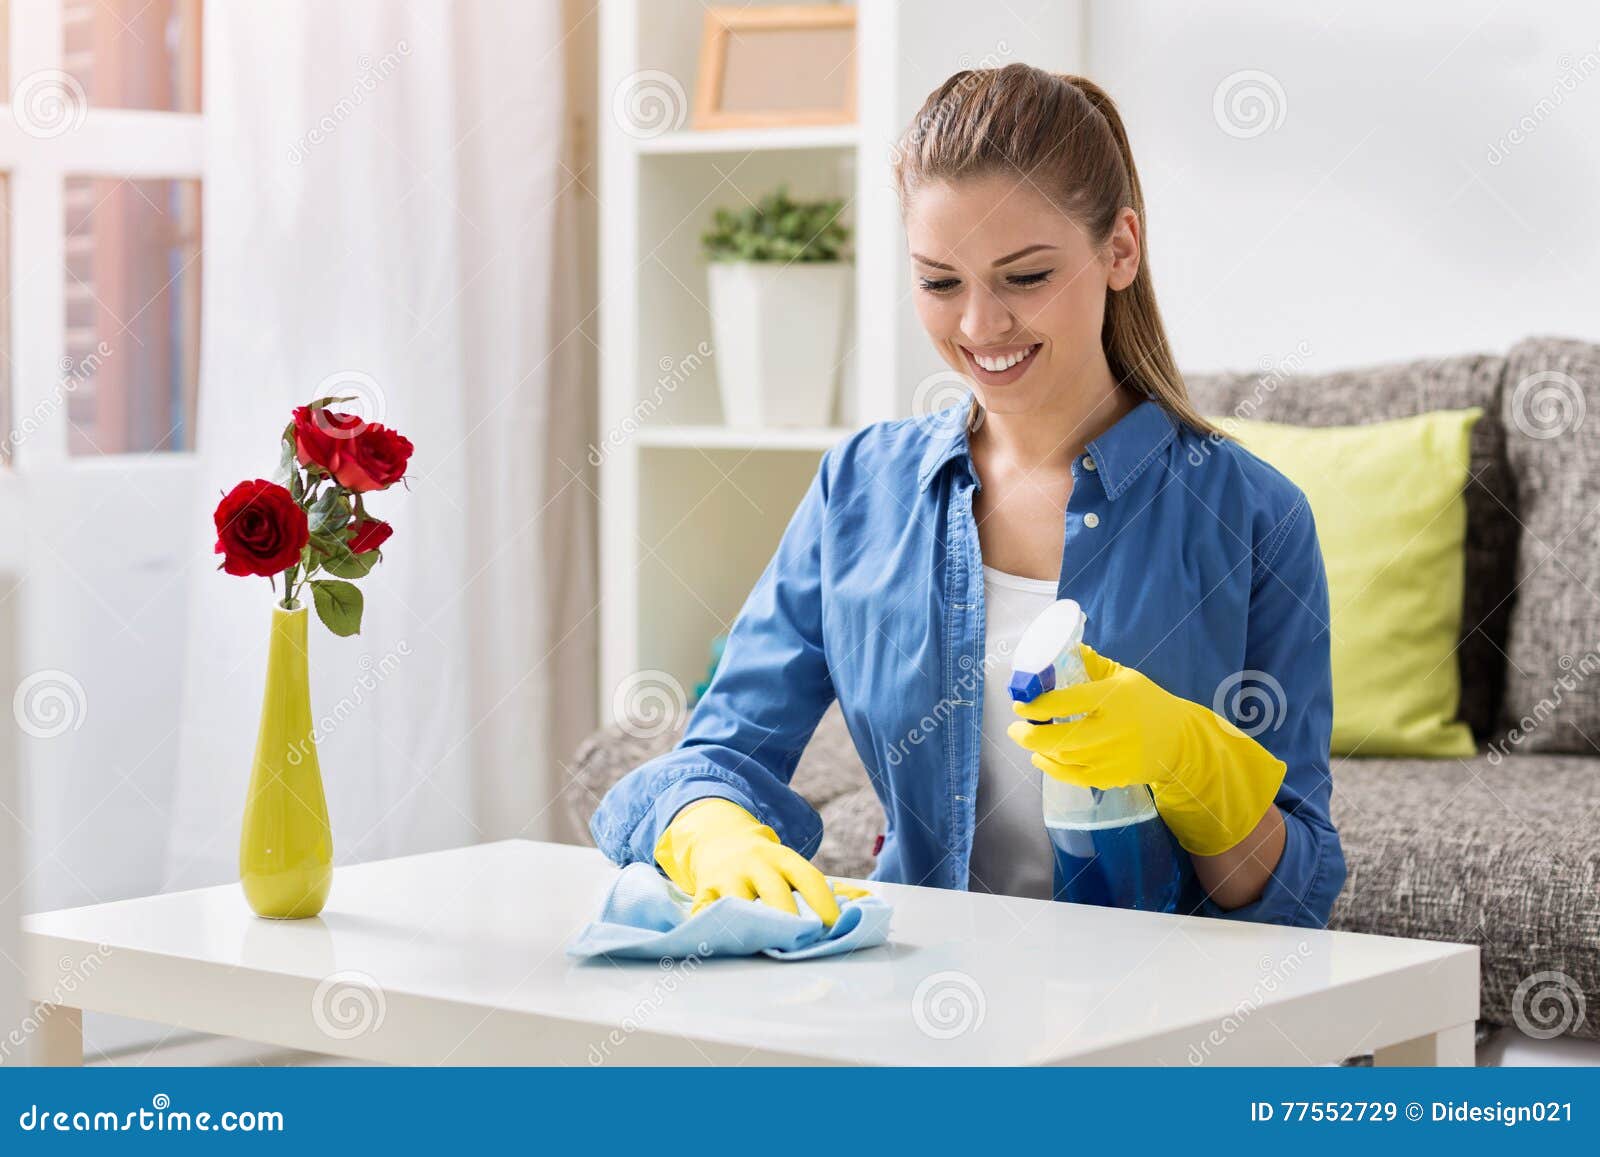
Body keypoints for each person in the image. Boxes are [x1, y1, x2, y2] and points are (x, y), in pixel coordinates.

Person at [590, 64, 1346, 930]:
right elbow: (722, 750)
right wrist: (710, 830)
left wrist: (1195, 762)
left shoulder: (1253, 516)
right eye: (941, 282)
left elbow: (1295, 890)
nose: (981, 327)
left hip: (1156, 1018)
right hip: (926, 992)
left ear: (1120, 250)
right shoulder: (859, 493)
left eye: (1025, 277)